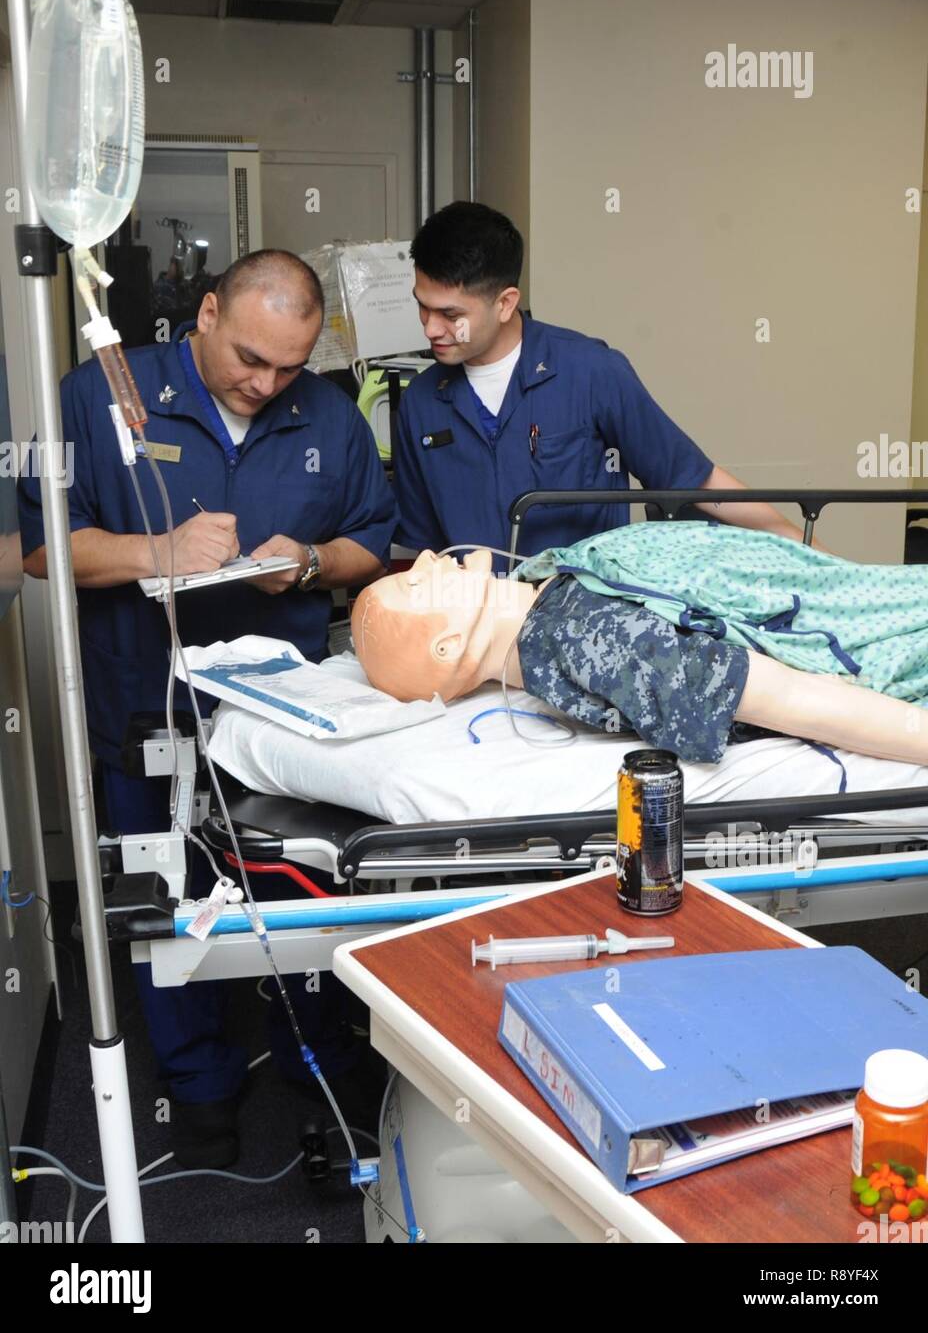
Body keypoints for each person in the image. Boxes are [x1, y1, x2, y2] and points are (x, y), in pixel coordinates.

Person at [18, 249, 397, 1167]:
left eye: (289, 367)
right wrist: (159, 552)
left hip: (281, 720)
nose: (267, 384)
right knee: (167, 896)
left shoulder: (332, 418)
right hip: (141, 698)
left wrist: (306, 564)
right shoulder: (98, 396)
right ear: (207, 312)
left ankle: (321, 1064)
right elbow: (40, 549)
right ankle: (200, 1086)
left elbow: (373, 544)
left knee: (299, 889)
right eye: (250, 360)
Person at [393, 201, 815, 561]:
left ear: (505, 304)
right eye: (423, 308)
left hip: (586, 620)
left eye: (450, 316)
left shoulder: (592, 372)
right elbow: (422, 548)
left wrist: (801, 546)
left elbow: (689, 476)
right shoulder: (422, 402)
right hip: (474, 631)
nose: (430, 329)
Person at [350, 522, 928, 770]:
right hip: (881, 635)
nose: (426, 559)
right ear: (449, 648)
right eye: (416, 583)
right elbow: (791, 697)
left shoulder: (545, 588)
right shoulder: (587, 639)